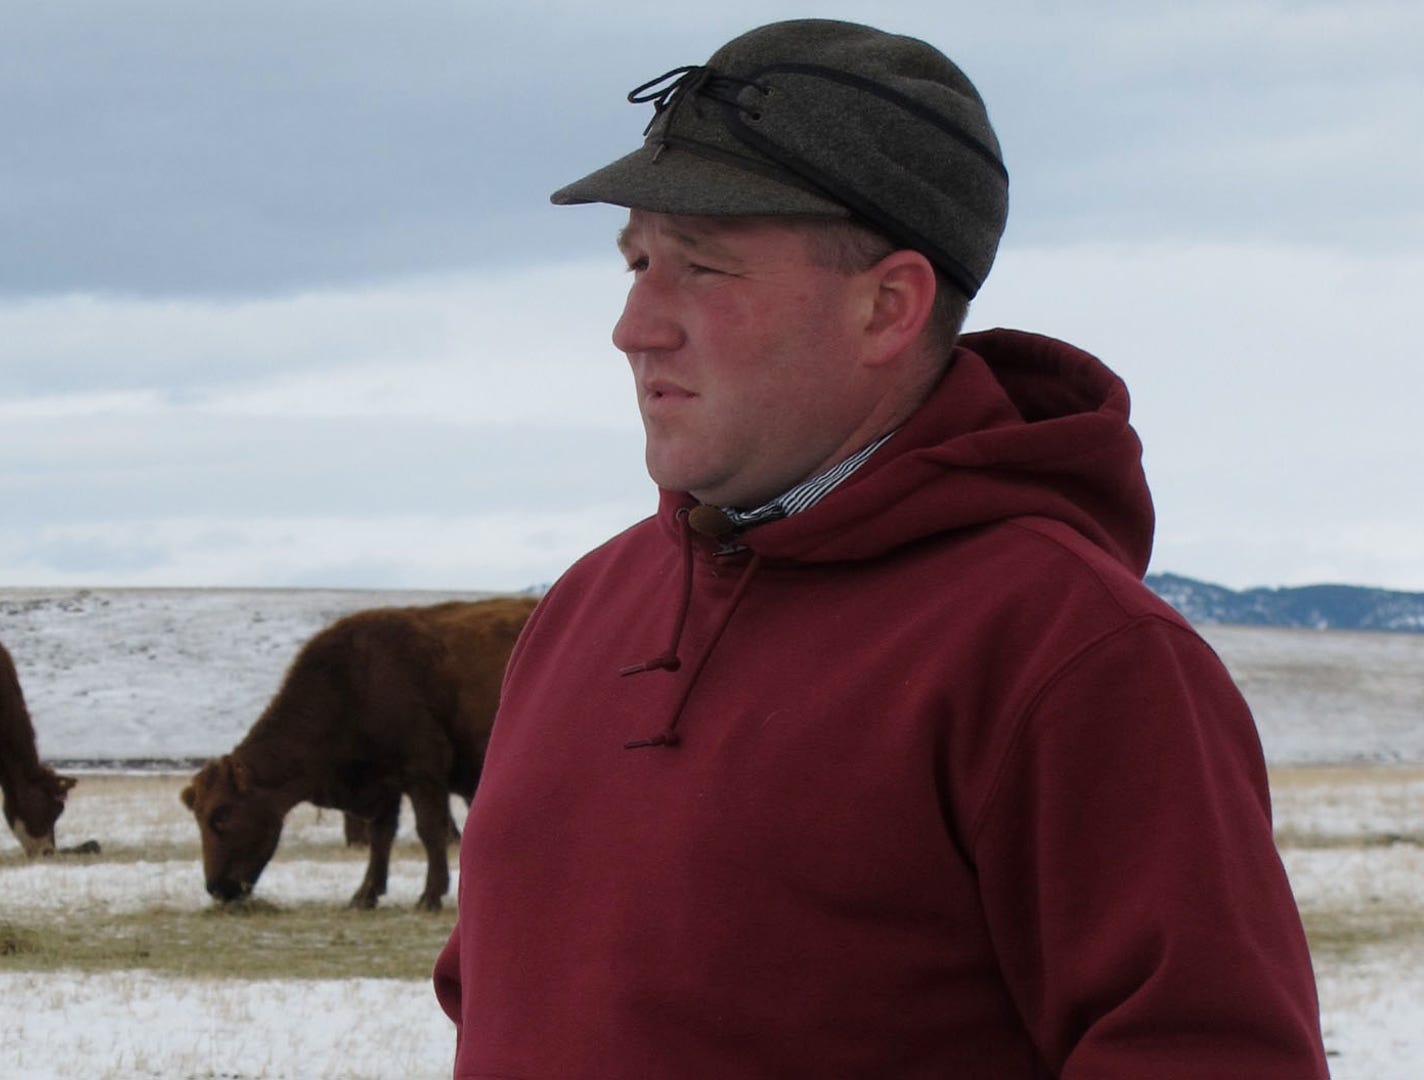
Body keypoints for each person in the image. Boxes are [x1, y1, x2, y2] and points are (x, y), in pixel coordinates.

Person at [432, 18, 1329, 1079]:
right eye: (635, 261)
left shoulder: (1075, 653)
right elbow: (506, 1001)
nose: (635, 325)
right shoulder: (588, 606)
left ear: (887, 306)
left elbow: (1208, 1056)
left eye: (701, 270)